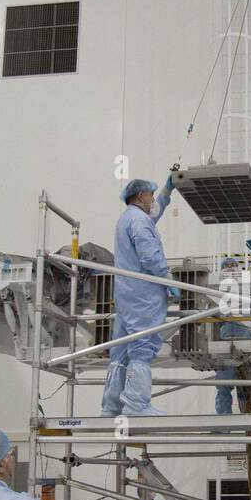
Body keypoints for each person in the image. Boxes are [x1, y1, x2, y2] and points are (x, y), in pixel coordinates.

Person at [101, 177, 177, 417]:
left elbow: (154, 213)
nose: (153, 199)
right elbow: (150, 256)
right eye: (151, 195)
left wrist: (168, 190)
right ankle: (135, 403)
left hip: (126, 295)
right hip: (143, 295)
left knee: (121, 352)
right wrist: (168, 278)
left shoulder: (129, 218)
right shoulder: (140, 222)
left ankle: (112, 406)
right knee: (143, 346)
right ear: (140, 196)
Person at [214, 255, 251, 415]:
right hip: (226, 345)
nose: (231, 267)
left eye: (234, 264)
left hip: (249, 343)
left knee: (249, 386)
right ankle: (223, 425)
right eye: (227, 265)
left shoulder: (250, 286)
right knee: (224, 386)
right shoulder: (215, 290)